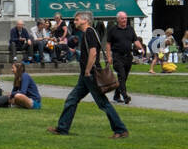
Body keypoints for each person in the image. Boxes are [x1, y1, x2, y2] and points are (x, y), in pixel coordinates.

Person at [48, 10, 129, 138]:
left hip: (90, 74)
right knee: (72, 99)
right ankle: (62, 128)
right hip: (85, 76)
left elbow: (93, 52)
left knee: (103, 103)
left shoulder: (89, 32)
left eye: (77, 19)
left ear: (85, 20)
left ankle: (120, 130)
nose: (74, 22)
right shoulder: (87, 33)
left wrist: (87, 70)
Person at [105, 11, 144, 104]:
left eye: (126, 18)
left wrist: (140, 47)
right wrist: (109, 57)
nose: (124, 20)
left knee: (124, 77)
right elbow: (108, 44)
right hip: (117, 56)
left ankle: (116, 95)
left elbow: (135, 41)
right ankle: (125, 96)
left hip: (128, 56)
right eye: (122, 18)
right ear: (118, 19)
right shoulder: (113, 30)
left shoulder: (130, 29)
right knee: (121, 75)